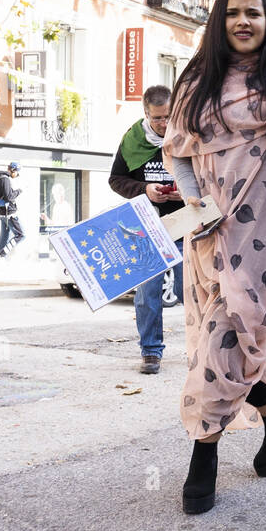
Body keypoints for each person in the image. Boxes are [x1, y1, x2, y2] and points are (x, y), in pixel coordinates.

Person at [161, 0, 266, 514]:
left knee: (232, 335)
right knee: (228, 340)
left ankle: (202, 452)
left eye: (254, 12)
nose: (243, 22)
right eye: (233, 13)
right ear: (220, 21)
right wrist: (192, 205)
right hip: (208, 233)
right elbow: (178, 152)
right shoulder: (196, 83)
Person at [110, 84, 186, 375]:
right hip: (147, 227)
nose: (164, 124)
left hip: (184, 223)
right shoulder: (132, 140)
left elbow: (209, 175)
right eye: (157, 119)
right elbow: (116, 179)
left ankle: (202, 349)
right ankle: (151, 352)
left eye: (168, 116)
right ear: (146, 114)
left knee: (188, 291)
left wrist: (186, 192)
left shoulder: (187, 134)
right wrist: (145, 189)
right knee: (147, 295)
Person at [0, 162, 24, 258]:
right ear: (13, 170)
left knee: (4, 236)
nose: (17, 175)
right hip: (9, 212)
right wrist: (19, 191)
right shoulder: (5, 179)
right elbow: (9, 197)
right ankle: (2, 254)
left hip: (2, 212)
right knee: (20, 235)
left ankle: (1, 258)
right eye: (17, 173)